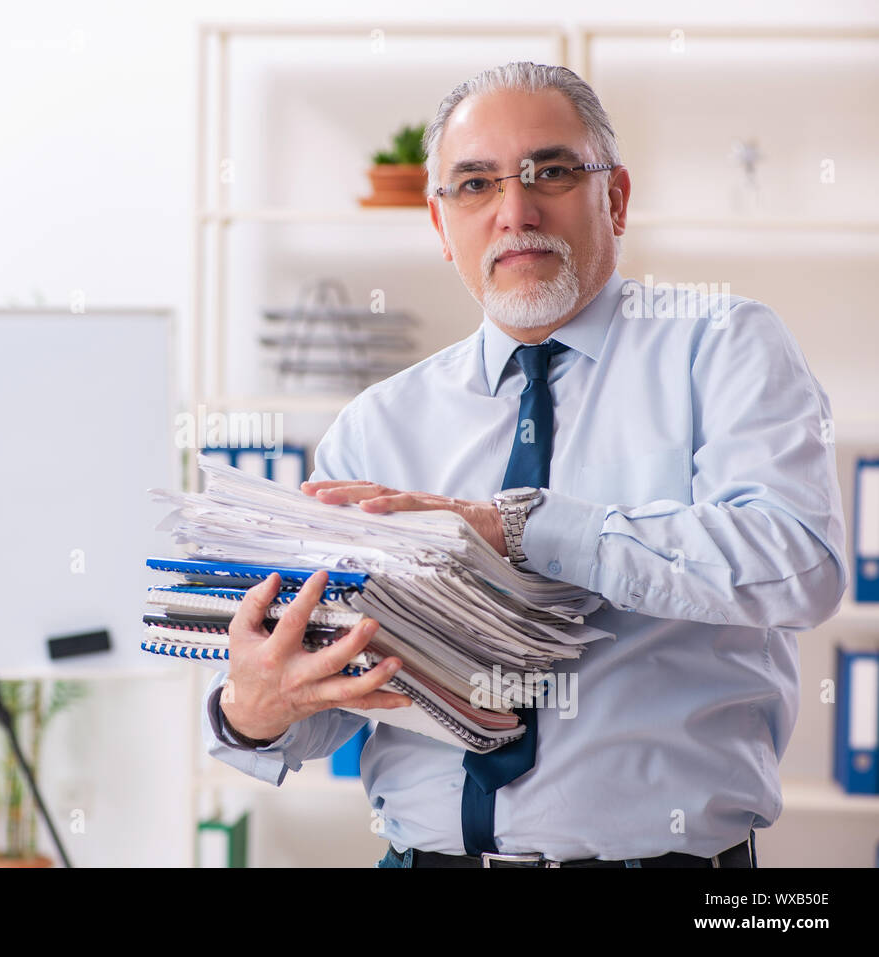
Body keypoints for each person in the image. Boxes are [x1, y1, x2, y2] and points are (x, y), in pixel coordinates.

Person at [201, 61, 847, 868]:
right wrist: (253, 707)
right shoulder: (377, 424)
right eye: (476, 184)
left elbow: (799, 564)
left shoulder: (723, 349)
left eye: (551, 171)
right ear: (441, 225)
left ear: (615, 198)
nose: (516, 211)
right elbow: (341, 698)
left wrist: (515, 530)